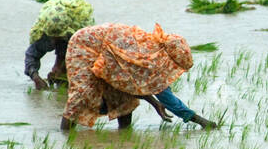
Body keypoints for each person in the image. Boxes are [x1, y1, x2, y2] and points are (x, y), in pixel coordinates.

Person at [59, 23, 216, 130]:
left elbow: (145, 88)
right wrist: (201, 121)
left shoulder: (154, 56)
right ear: (168, 57)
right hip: (84, 45)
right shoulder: (142, 55)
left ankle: (124, 135)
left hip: (108, 51)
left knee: (124, 98)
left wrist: (155, 103)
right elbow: (161, 95)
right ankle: (64, 135)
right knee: (83, 93)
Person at [25, 0, 94, 89]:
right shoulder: (42, 37)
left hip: (73, 28)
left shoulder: (76, 34)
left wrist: (61, 69)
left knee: (66, 75)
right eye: (53, 37)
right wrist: (35, 77)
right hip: (52, 30)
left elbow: (84, 58)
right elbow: (31, 56)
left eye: (59, 37)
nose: (55, 40)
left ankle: (60, 72)